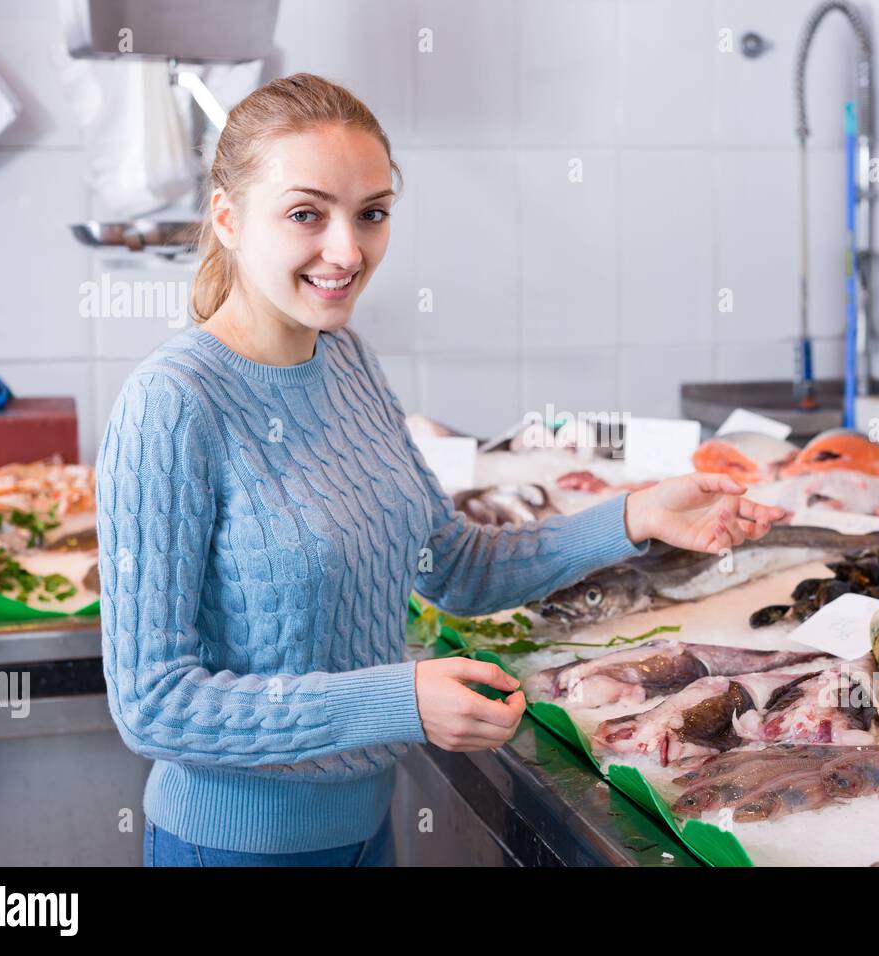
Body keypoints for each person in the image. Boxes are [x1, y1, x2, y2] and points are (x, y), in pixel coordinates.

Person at [95, 73, 785, 868]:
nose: (347, 250)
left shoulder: (346, 359)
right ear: (227, 216)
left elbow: (451, 565)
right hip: (233, 849)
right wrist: (400, 699)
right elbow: (153, 706)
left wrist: (634, 516)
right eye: (305, 214)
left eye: (372, 214)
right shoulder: (172, 404)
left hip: (366, 833)